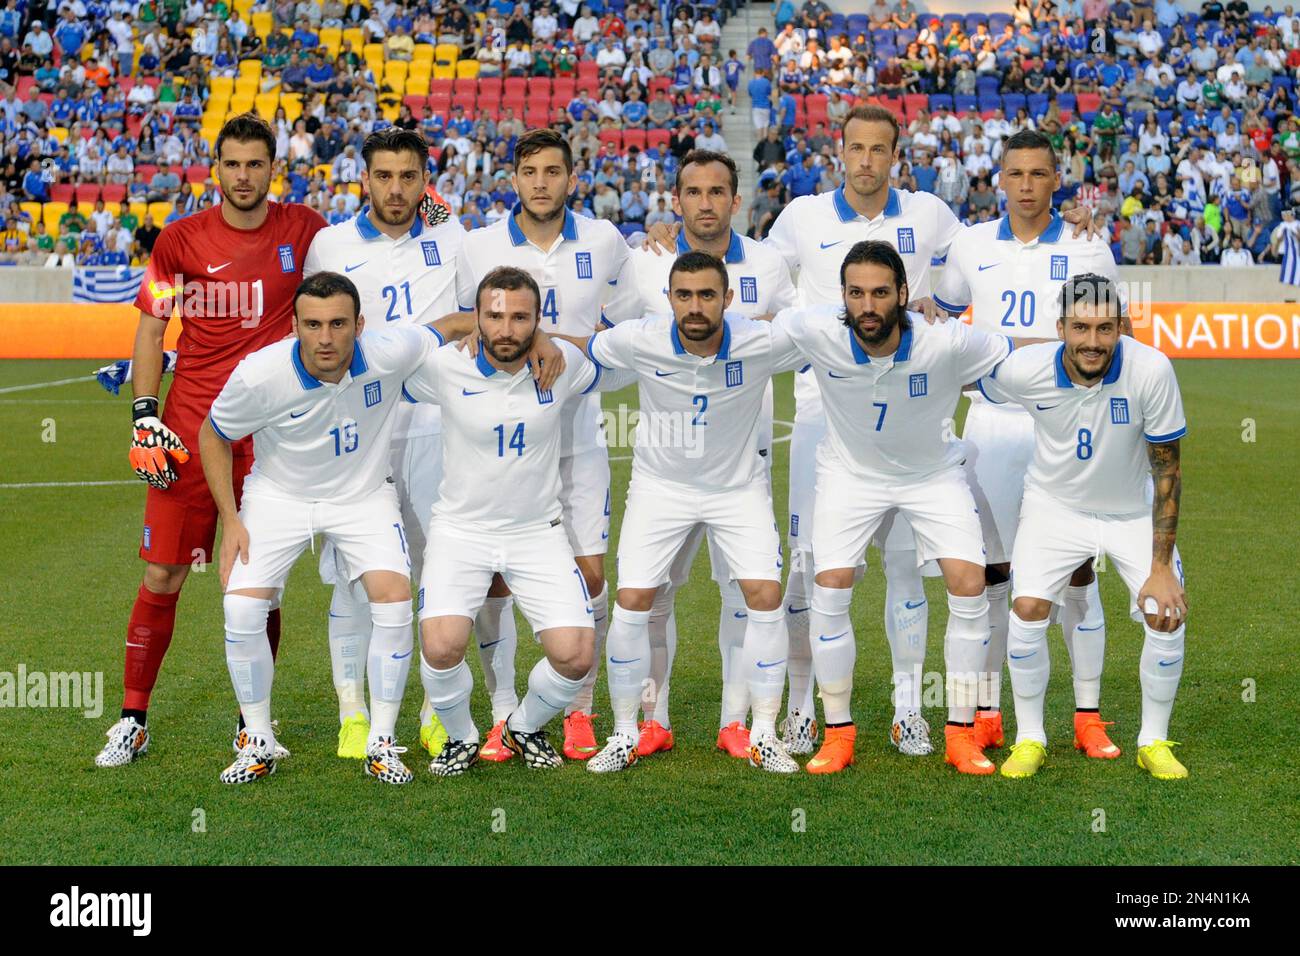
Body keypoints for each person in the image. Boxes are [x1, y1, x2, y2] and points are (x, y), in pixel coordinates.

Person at [94, 114, 325, 770]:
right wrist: (144, 415)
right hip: (191, 429)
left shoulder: (305, 230)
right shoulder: (179, 241)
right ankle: (132, 719)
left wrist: (433, 209)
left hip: (272, 436)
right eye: (233, 164)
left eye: (256, 164)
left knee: (259, 586)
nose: (244, 176)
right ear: (214, 168)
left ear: (272, 168)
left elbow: (375, 239)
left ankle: (252, 726)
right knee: (164, 572)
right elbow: (150, 329)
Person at [200, 273, 465, 784]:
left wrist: (533, 336)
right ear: (294, 325)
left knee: (393, 598)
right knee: (241, 604)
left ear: (359, 326)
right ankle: (257, 739)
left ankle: (382, 742)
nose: (325, 338)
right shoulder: (260, 374)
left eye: (339, 324)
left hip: (362, 494)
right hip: (278, 495)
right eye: (313, 324)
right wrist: (230, 519)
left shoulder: (389, 350)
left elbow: (451, 324)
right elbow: (213, 433)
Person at [770, 241, 1012, 775]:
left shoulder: (944, 343)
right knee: (828, 588)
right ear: (843, 297)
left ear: (904, 294)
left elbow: (1018, 352)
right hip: (850, 476)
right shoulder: (817, 331)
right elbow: (746, 336)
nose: (868, 306)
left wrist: (1104, 346)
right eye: (856, 293)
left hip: (932, 475)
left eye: (881, 293)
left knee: (969, 586)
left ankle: (960, 733)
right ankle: (838, 733)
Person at [303, 128, 506, 761]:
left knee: (438, 568)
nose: (396, 189)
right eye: (383, 176)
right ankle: (352, 712)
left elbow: (487, 314)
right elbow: (314, 333)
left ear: (427, 182)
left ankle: (434, 709)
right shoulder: (330, 244)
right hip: (356, 429)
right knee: (357, 576)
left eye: (408, 177)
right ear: (364, 178)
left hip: (434, 424)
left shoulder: (456, 239)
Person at [562, 252, 805, 772]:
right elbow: (587, 346)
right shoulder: (641, 337)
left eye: (707, 295)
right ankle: (628, 730)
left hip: (737, 489)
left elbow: (835, 325)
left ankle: (761, 731)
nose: (696, 307)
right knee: (633, 600)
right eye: (685, 295)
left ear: (728, 299)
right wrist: (541, 338)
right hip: (661, 488)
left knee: (765, 597)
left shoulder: (762, 340)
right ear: (670, 298)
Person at [934, 130, 1123, 760]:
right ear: (999, 179)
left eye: (1038, 174)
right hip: (990, 424)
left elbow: (1111, 341)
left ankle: (1087, 715)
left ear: (1055, 181)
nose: (1025, 185)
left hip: (1064, 428)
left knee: (1077, 571)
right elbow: (941, 313)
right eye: (1014, 174)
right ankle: (987, 713)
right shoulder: (970, 244)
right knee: (991, 577)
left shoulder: (1087, 247)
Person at [454, 128, 635, 762]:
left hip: (578, 430)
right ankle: (505, 708)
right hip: (500, 438)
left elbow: (627, 328)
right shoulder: (477, 247)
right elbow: (461, 329)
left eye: (553, 171)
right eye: (529, 171)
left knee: (590, 571)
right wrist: (530, 341)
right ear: (514, 178)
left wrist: (565, 348)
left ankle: (579, 710)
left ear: (571, 177)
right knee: (497, 576)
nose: (541, 182)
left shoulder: (606, 241)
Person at [613, 152, 796, 758]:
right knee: (652, 595)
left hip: (742, 453)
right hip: (665, 463)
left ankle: (737, 721)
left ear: (736, 200)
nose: (706, 202)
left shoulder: (767, 262)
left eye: (718, 191)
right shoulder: (646, 260)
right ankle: (650, 718)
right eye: (693, 191)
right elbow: (612, 336)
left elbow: (792, 327)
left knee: (743, 596)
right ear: (676, 199)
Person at [404, 267, 621, 776]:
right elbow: (385, 356)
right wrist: (456, 327)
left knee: (576, 655)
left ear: (538, 320)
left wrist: (551, 339)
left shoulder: (559, 365)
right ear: (477, 318)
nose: (506, 329)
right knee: (440, 646)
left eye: (521, 318)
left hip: (536, 532)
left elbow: (614, 356)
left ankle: (523, 726)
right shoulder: (442, 368)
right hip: (460, 531)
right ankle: (461, 737)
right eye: (494, 317)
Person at [976, 274, 1190, 780]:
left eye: (1104, 328)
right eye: (1080, 327)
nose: (1092, 341)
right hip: (1055, 508)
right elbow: (967, 375)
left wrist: (1161, 567)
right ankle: (1031, 738)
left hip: (1130, 510)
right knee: (1027, 611)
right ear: (1060, 328)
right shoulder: (1028, 368)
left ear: (1122, 326)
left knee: (1166, 610)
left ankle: (1153, 741)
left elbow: (1168, 470)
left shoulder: (1152, 370)